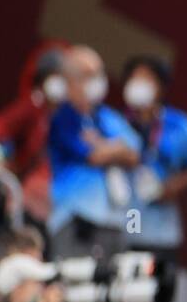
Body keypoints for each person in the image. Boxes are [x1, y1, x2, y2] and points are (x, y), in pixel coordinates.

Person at [120, 56, 187, 302]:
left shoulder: (180, 125)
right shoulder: (117, 124)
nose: (140, 85)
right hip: (125, 228)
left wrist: (170, 188)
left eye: (148, 79)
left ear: (160, 87)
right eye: (135, 78)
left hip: (163, 231)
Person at [46, 46, 141, 261]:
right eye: (88, 75)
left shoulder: (108, 117)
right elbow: (93, 156)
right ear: (69, 82)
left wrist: (101, 145)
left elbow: (134, 155)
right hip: (73, 221)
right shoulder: (63, 118)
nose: (97, 81)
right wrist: (115, 147)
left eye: (99, 73)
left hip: (112, 221)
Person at [0, 45, 68, 230]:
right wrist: (1, 161)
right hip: (24, 203)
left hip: (52, 205)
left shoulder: (60, 114)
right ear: (43, 78)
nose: (62, 82)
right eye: (57, 75)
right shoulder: (30, 107)